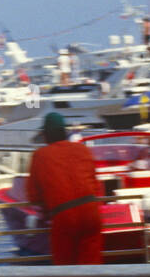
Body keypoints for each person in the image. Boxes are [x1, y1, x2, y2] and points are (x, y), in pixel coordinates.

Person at [26, 112, 103, 264]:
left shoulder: (40, 155)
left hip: (64, 216)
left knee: (65, 268)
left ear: (45, 135)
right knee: (92, 268)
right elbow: (95, 184)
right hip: (91, 213)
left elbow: (33, 195)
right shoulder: (83, 149)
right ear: (65, 132)